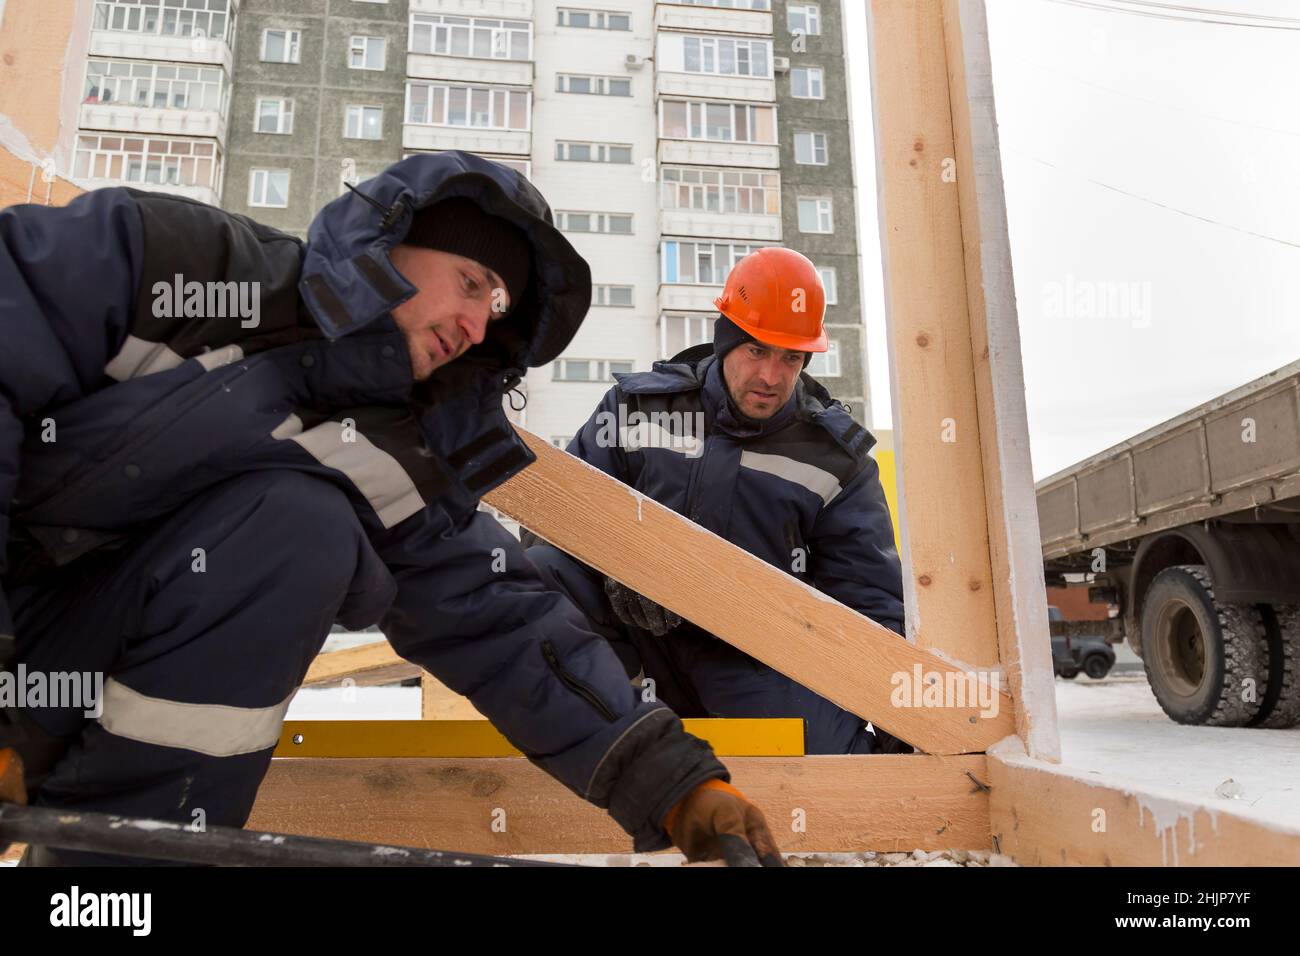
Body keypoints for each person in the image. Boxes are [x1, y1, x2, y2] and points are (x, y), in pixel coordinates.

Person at [0, 150, 780, 866]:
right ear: (392, 239)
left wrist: (674, 785)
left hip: (68, 683)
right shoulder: (172, 267)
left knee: (301, 529)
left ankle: (111, 883)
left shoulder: (396, 460)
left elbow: (501, 623)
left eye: (497, 311)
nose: (477, 325)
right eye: (472, 283)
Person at [525, 247, 909, 755]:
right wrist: (620, 567)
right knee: (541, 570)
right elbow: (554, 518)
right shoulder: (637, 410)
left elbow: (870, 597)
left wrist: (903, 720)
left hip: (755, 664)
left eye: (790, 357)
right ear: (725, 337)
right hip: (638, 649)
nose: (771, 377)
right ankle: (599, 735)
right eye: (756, 350)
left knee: (842, 762)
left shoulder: (836, 460)